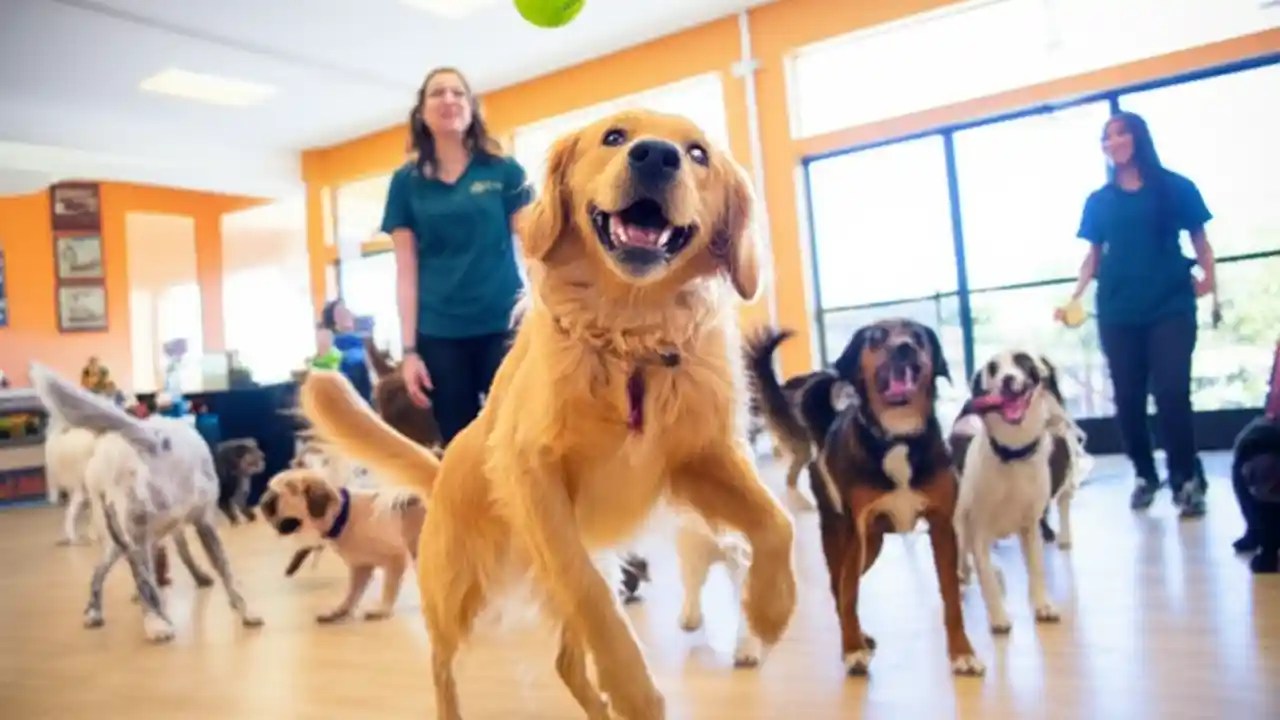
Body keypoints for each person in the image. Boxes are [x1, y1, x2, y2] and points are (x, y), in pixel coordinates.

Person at [1056, 111, 1218, 517]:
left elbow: (1202, 242)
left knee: (1170, 393)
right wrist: (1074, 298)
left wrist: (1210, 280)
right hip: (1118, 309)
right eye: (1106, 137)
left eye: (1121, 133)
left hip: (1170, 304)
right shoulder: (1099, 202)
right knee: (1128, 400)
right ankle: (1146, 474)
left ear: (1138, 138)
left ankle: (1185, 479)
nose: (1113, 142)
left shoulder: (1176, 188)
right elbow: (1092, 258)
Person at [379, 66, 533, 445]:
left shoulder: (504, 171)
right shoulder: (405, 183)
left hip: (503, 323)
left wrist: (543, 311)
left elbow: (534, 250)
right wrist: (410, 351)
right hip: (439, 333)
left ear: (472, 107)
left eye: (458, 93)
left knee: (517, 435)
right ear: (422, 113)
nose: (448, 99)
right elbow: (406, 271)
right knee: (460, 443)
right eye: (437, 93)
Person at [317, 299, 373, 404]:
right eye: (340, 313)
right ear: (333, 321)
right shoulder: (330, 342)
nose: (348, 313)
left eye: (347, 311)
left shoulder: (362, 340)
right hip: (345, 401)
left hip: (365, 400)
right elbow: (326, 373)